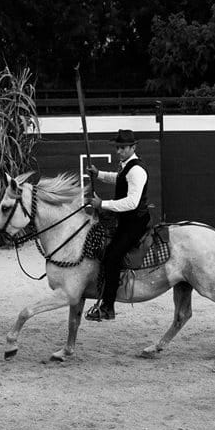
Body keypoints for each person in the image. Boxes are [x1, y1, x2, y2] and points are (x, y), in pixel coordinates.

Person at [84, 129, 151, 321]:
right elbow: (119, 178)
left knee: (112, 257)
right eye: (118, 147)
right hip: (126, 219)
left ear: (133, 147)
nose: (119, 151)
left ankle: (108, 307)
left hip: (134, 222)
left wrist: (102, 204)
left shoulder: (136, 170)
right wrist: (99, 174)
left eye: (123, 148)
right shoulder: (127, 166)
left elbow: (132, 203)